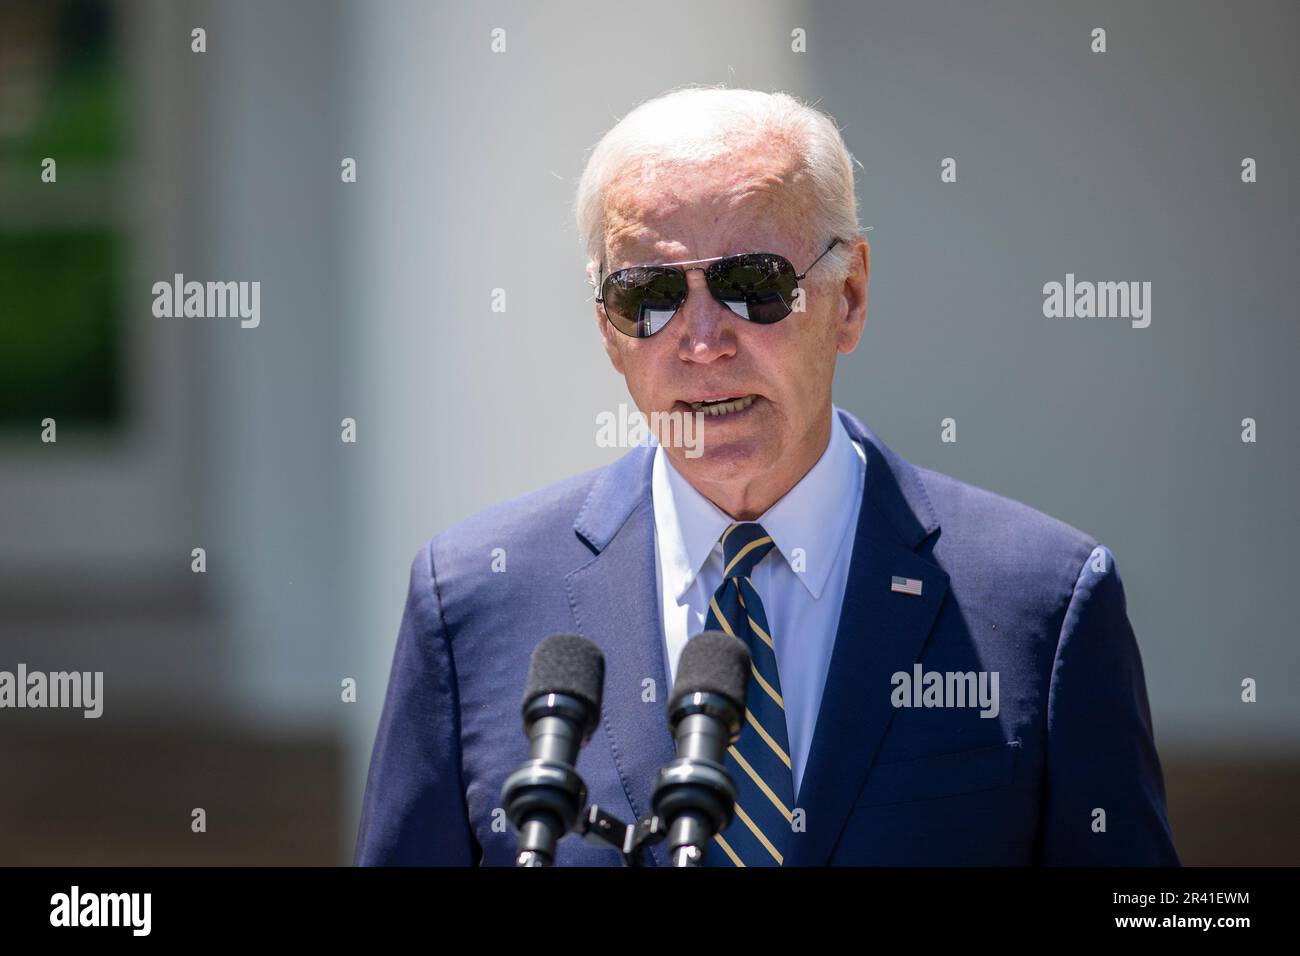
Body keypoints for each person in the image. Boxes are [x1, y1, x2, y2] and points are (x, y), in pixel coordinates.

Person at [354, 86, 1179, 866]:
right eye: (648, 295)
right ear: (608, 330)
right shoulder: (472, 600)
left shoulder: (1042, 600)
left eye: (754, 284)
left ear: (848, 295)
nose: (703, 339)